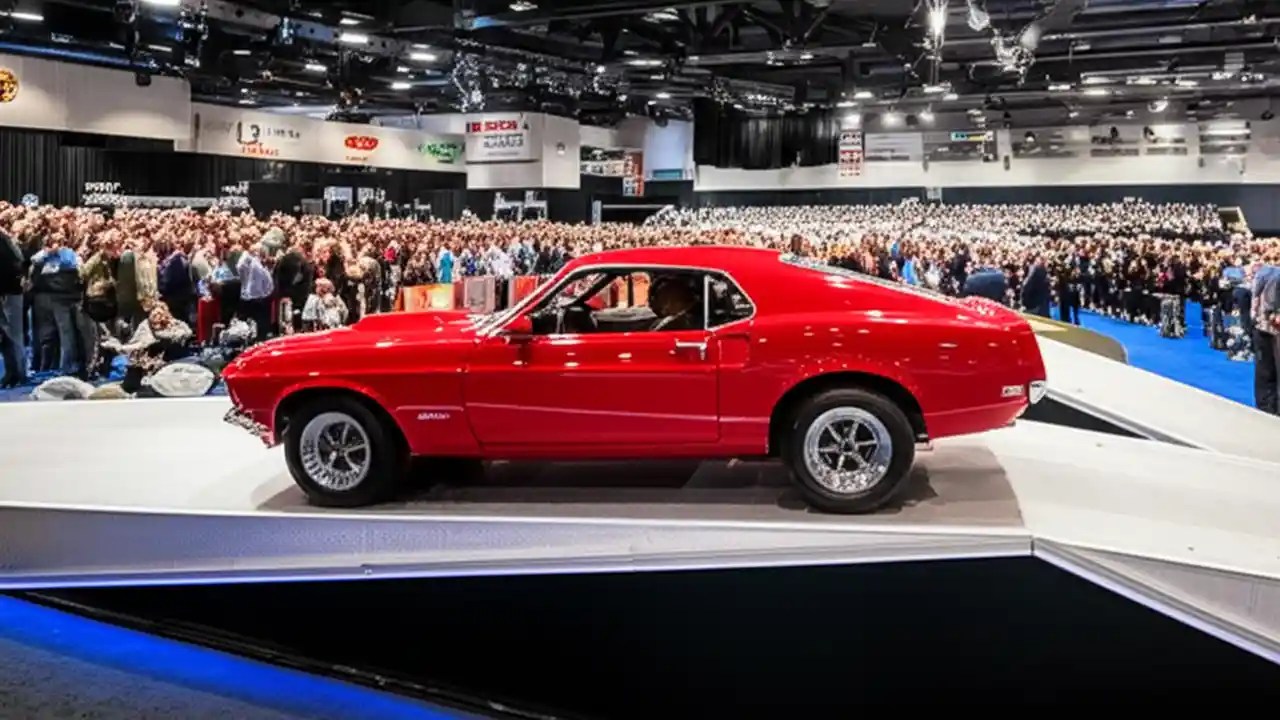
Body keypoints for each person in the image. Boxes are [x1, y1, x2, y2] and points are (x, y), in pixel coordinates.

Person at [1251, 263, 1280, 415]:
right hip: (1272, 329)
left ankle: (1266, 407)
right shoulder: (1275, 276)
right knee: (1268, 369)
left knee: (1264, 369)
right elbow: (1271, 307)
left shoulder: (1265, 274)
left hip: (1262, 327)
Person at [0, 229, 27, 388]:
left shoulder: (4, 242)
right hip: (7, 291)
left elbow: (14, 265)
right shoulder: (7, 241)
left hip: (10, 292)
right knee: (6, 337)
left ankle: (19, 373)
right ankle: (11, 373)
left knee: (13, 334)